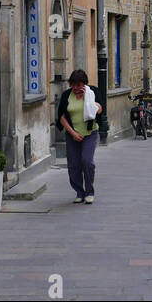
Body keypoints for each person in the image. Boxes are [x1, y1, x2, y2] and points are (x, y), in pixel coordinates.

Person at [57, 69, 103, 204]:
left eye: (79, 85)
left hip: (90, 133)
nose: (76, 88)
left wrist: (87, 99)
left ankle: (89, 192)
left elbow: (99, 110)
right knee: (73, 164)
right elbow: (61, 117)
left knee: (87, 161)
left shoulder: (92, 93)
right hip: (72, 134)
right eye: (73, 85)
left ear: (84, 84)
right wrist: (72, 133)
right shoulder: (66, 95)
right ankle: (79, 192)